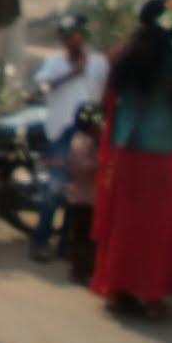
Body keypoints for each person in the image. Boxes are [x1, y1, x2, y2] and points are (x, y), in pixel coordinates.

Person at [91, 0, 172, 321]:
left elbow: (104, 100)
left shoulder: (122, 53)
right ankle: (151, 294)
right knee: (158, 224)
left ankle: (119, 290)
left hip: (126, 146)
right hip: (163, 149)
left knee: (126, 219)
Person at [28, 15, 110, 263]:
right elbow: (41, 88)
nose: (73, 40)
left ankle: (68, 243)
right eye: (67, 35)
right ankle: (40, 240)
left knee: (81, 192)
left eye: (76, 34)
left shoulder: (99, 64)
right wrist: (71, 74)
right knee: (55, 188)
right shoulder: (54, 63)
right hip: (62, 132)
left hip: (88, 134)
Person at [63, 104, 101, 286]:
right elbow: (80, 167)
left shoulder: (91, 142)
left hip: (91, 198)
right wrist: (100, 163)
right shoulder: (81, 142)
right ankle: (79, 270)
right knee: (81, 237)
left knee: (89, 238)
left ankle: (87, 269)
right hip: (81, 199)